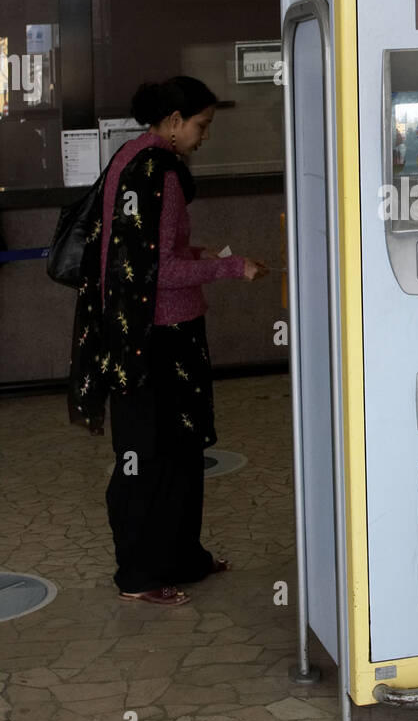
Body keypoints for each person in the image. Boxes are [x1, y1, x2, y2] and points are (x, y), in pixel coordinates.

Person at [68, 75, 268, 607]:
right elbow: (151, 271)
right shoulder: (162, 173)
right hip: (156, 339)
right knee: (147, 457)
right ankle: (138, 572)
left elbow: (149, 250)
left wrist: (197, 254)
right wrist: (232, 267)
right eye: (202, 126)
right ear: (175, 122)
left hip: (146, 334)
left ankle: (182, 556)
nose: (205, 136)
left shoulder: (129, 158)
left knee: (178, 452)